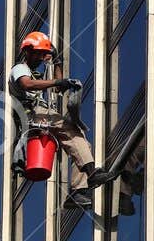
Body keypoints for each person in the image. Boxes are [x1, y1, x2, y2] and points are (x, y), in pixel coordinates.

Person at [8, 32, 123, 211]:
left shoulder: (37, 74)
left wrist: (57, 61)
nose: (39, 57)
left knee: (80, 142)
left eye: (41, 54)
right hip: (33, 115)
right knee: (72, 132)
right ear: (28, 51)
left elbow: (58, 88)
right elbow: (27, 84)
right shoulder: (20, 69)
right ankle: (90, 176)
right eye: (37, 53)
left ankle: (79, 191)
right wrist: (59, 80)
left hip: (42, 115)